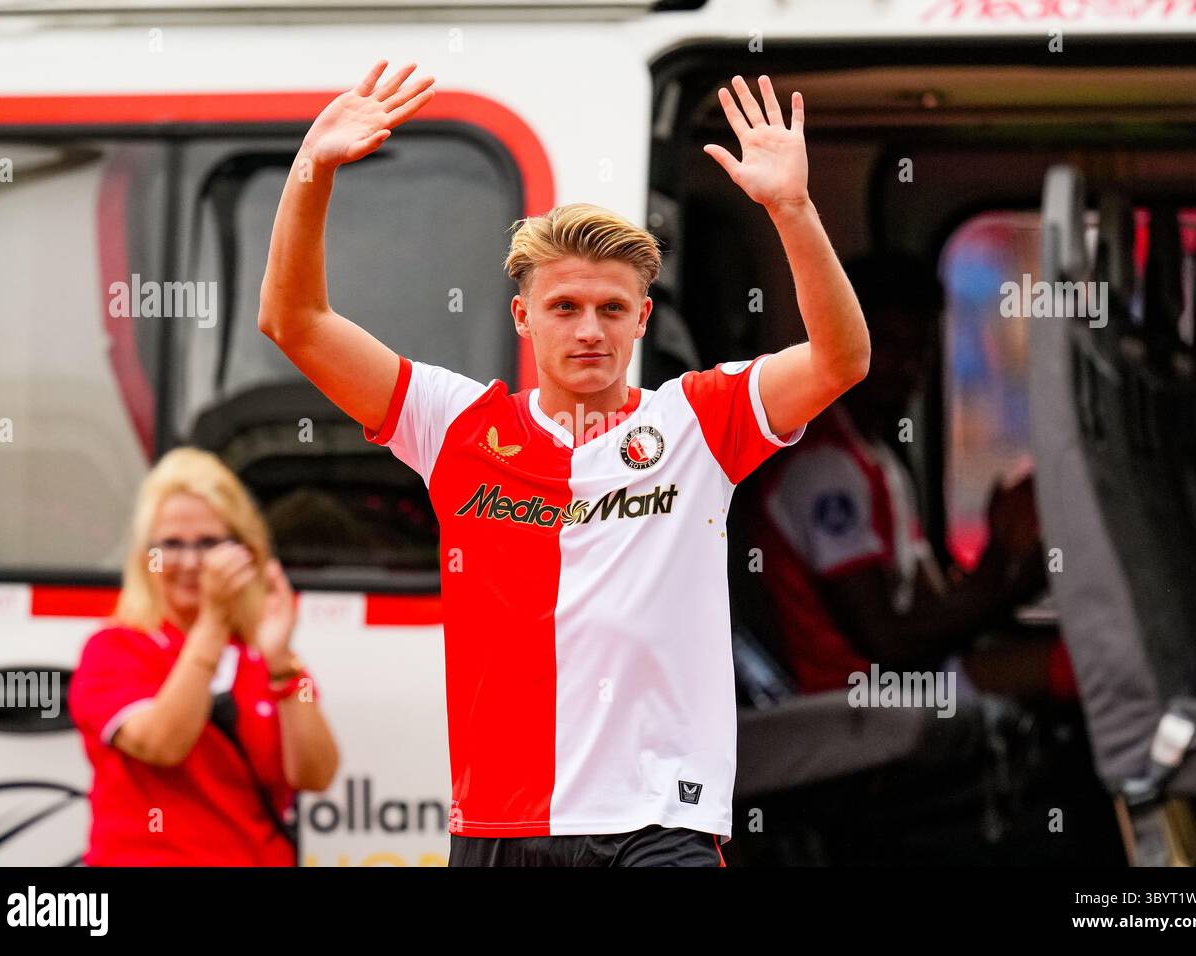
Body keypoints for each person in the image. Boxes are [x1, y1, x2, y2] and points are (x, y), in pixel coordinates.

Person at [258, 60, 869, 866]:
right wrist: (313, 169)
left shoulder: (696, 419)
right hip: (505, 828)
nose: (590, 330)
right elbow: (293, 321)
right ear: (524, 317)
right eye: (565, 308)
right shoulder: (453, 425)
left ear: (643, 318)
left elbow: (840, 360)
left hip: (660, 820)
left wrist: (791, 209)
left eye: (612, 309)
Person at [751, 251, 1076, 700]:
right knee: (1067, 670)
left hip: (900, 680)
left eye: (919, 349)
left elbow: (933, 610)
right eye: (886, 344)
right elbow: (889, 640)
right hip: (849, 696)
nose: (906, 367)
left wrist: (1002, 554)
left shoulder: (881, 463)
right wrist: (1019, 581)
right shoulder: (822, 468)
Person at [68, 447, 340, 865]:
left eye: (210, 543)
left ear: (246, 550)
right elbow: (163, 743)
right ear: (145, 557)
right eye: (172, 544)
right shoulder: (115, 648)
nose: (191, 562)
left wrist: (283, 663)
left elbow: (316, 774)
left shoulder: (259, 653)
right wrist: (213, 624)